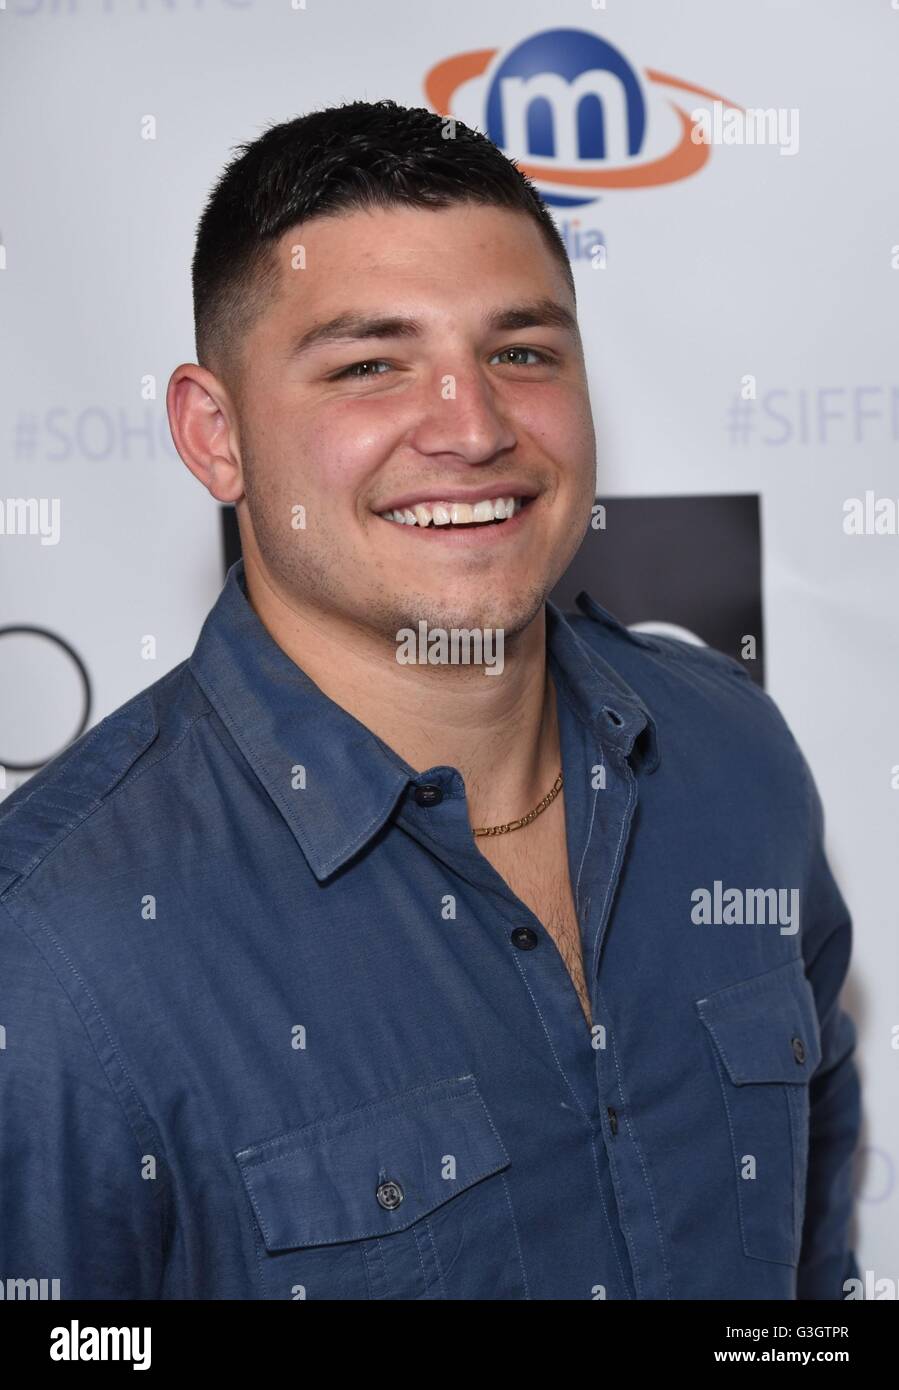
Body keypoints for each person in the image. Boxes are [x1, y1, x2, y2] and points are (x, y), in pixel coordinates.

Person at [0, 99, 860, 1300]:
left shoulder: (732, 758)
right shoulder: (53, 946)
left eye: (519, 352)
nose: (473, 427)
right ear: (215, 434)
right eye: (370, 365)